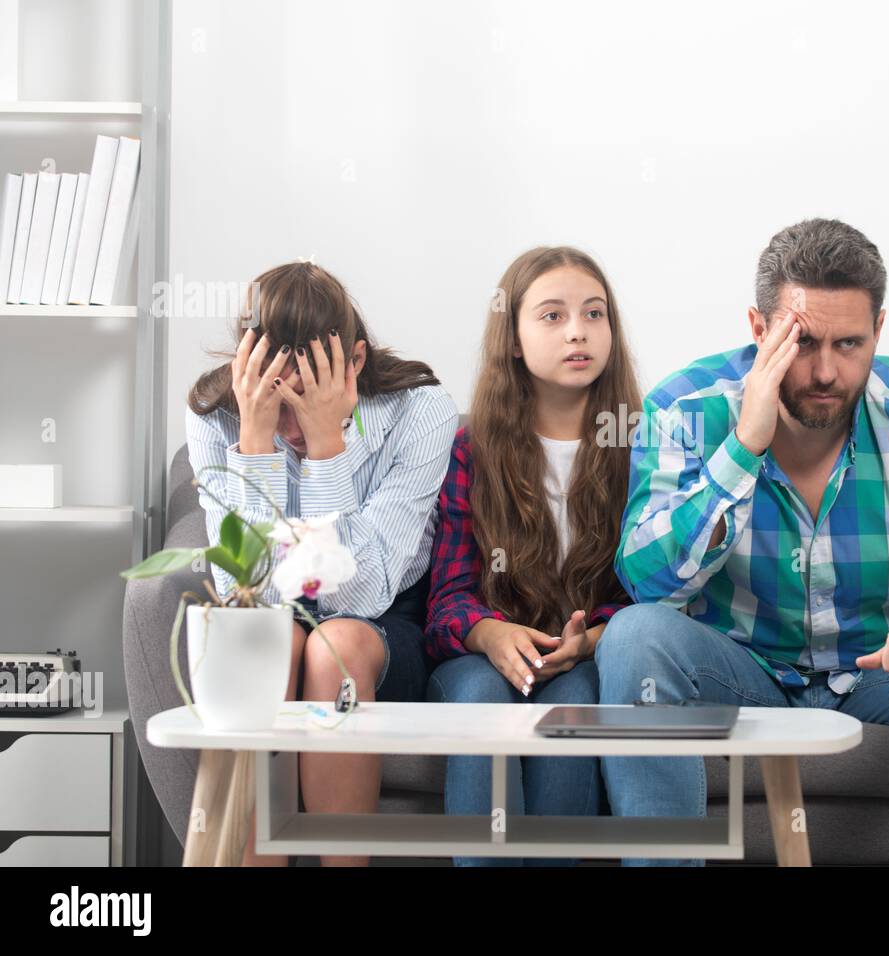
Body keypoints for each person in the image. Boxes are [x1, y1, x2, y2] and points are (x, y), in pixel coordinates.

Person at [597, 218, 889, 865]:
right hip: (741, 669)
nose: (827, 371)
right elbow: (649, 580)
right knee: (634, 636)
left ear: (880, 331)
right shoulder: (686, 407)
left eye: (851, 344)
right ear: (759, 328)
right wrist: (743, 448)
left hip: (879, 673)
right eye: (803, 342)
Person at [186, 261, 457, 865]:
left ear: (354, 363)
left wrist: (328, 447)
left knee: (333, 645)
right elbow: (243, 595)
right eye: (274, 401)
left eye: (304, 397)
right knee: (261, 642)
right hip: (272, 612)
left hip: (384, 620)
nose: (291, 426)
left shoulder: (420, 411)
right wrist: (255, 449)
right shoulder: (218, 416)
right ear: (246, 371)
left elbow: (355, 599)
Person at [424, 246, 640, 865]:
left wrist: (592, 639)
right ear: (513, 339)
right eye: (552, 316)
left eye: (594, 314)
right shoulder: (473, 447)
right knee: (480, 701)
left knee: (572, 703)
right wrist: (490, 634)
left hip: (581, 656)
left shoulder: (640, 443)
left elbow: (650, 594)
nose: (578, 331)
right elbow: (447, 600)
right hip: (481, 661)